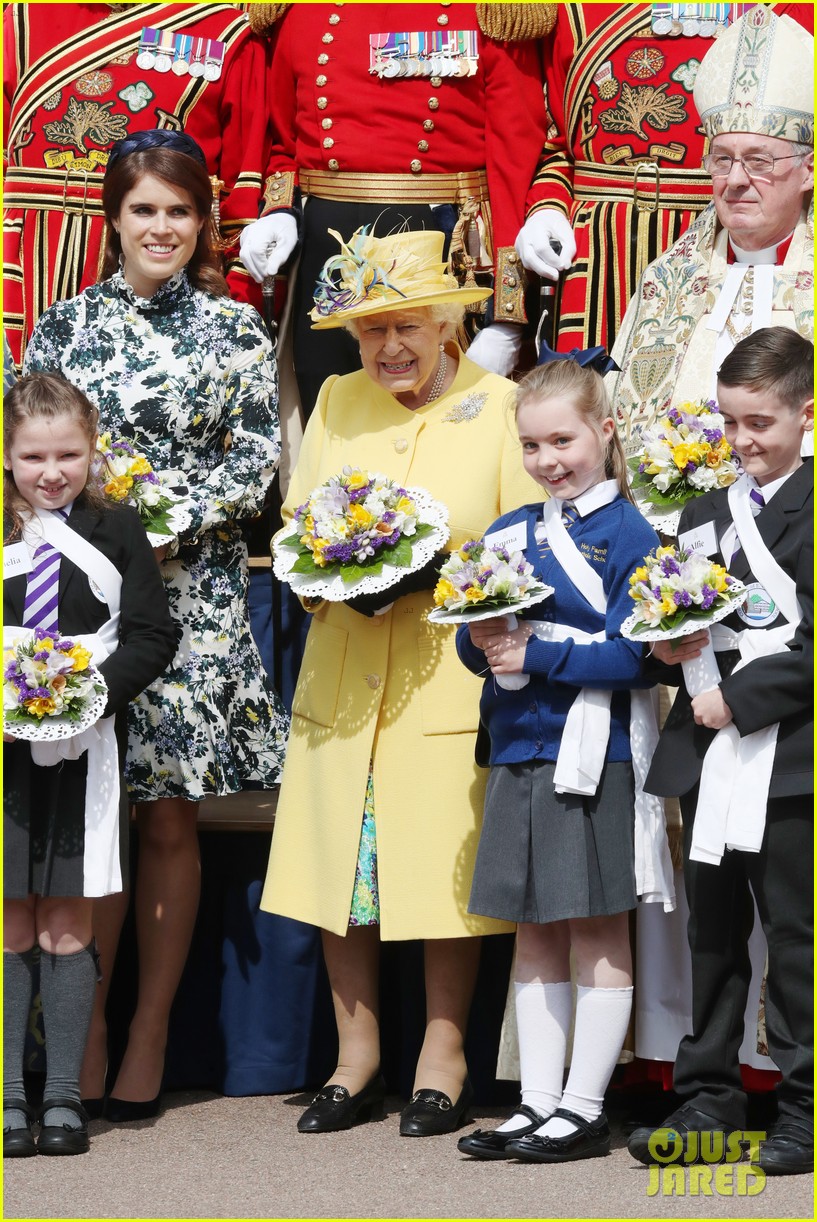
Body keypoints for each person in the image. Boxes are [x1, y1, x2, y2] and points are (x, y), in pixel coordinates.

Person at [23, 129, 289, 1121]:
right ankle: (83, 1026)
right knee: (85, 815)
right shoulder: (64, 327)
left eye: (180, 210)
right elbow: (30, 446)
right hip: (75, 597)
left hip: (191, 594)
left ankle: (149, 1030)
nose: (162, 227)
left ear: (205, 221)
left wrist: (165, 517)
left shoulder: (235, 330)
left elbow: (255, 461)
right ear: (113, 219)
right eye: (144, 209)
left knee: (169, 814)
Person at [260, 225, 542, 1136]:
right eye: (371, 329)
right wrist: (326, 573)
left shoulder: (500, 406)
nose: (388, 347)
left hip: (445, 674)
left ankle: (442, 1058)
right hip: (344, 671)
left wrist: (436, 572)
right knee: (346, 869)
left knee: (437, 866)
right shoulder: (337, 398)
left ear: (448, 327)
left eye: (407, 326)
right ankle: (355, 1059)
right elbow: (297, 524)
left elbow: (527, 546)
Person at [453, 359, 664, 1163]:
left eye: (563, 441)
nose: (547, 460)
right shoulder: (509, 530)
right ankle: (536, 1101)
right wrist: (481, 641)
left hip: (594, 750)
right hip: (517, 745)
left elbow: (641, 658)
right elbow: (474, 646)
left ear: (604, 432)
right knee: (533, 922)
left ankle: (584, 1105)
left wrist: (536, 654)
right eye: (531, 445)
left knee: (596, 922)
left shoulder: (631, 533)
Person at [627, 327, 813, 1176]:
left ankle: (805, 1108)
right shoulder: (703, 512)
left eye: (758, 423)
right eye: (729, 422)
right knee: (711, 933)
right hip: (707, 753)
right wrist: (660, 647)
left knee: (795, 937)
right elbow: (664, 613)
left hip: (790, 756)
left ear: (805, 414)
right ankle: (708, 1096)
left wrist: (737, 698)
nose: (741, 440)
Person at [3, 373, 176, 1157]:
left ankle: (65, 1097)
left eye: (68, 455)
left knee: (68, 920)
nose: (51, 472)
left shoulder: (117, 528)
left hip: (84, 748)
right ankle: (10, 1096)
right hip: (5, 753)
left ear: (92, 449)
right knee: (11, 920)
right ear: (8, 456)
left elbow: (151, 634)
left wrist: (86, 696)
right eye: (33, 457)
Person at [239, 1, 553, 399]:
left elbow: (514, 156)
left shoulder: (489, 11)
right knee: (335, 407)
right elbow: (283, 143)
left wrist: (507, 317)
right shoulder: (300, 11)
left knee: (443, 413)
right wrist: (278, 211)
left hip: (439, 244)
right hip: (328, 251)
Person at [514, 3, 813, 355]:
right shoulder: (575, 11)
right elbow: (558, 144)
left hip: (724, 236)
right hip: (600, 251)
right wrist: (547, 207)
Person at [3, 0, 273, 371]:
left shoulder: (226, 29)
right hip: (24, 259)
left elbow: (244, 187)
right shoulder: (22, 18)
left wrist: (236, 305)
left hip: (157, 264)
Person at [607, 6, 814, 448]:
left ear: (808, 171)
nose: (735, 180)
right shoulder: (666, 282)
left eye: (759, 161)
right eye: (722, 159)